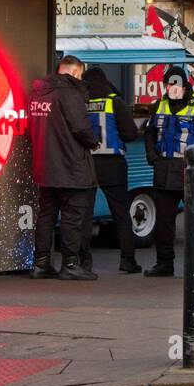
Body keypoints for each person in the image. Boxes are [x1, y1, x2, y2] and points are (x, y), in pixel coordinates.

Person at [27, 56, 102, 281]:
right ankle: (70, 264)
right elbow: (81, 128)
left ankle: (41, 264)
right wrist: (93, 141)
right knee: (72, 217)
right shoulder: (69, 94)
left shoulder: (38, 93)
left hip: (44, 167)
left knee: (46, 216)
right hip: (71, 168)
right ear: (76, 73)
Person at [142, 65, 194, 277]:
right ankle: (164, 263)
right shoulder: (159, 104)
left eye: (176, 85)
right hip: (164, 172)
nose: (172, 89)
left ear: (186, 86)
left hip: (192, 174)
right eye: (168, 85)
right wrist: (153, 157)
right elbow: (149, 133)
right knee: (163, 222)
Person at [81, 66, 142, 275]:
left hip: (87, 163)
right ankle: (127, 260)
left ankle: (83, 263)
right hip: (113, 164)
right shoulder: (115, 102)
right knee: (121, 215)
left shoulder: (82, 102)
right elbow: (130, 134)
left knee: (84, 215)